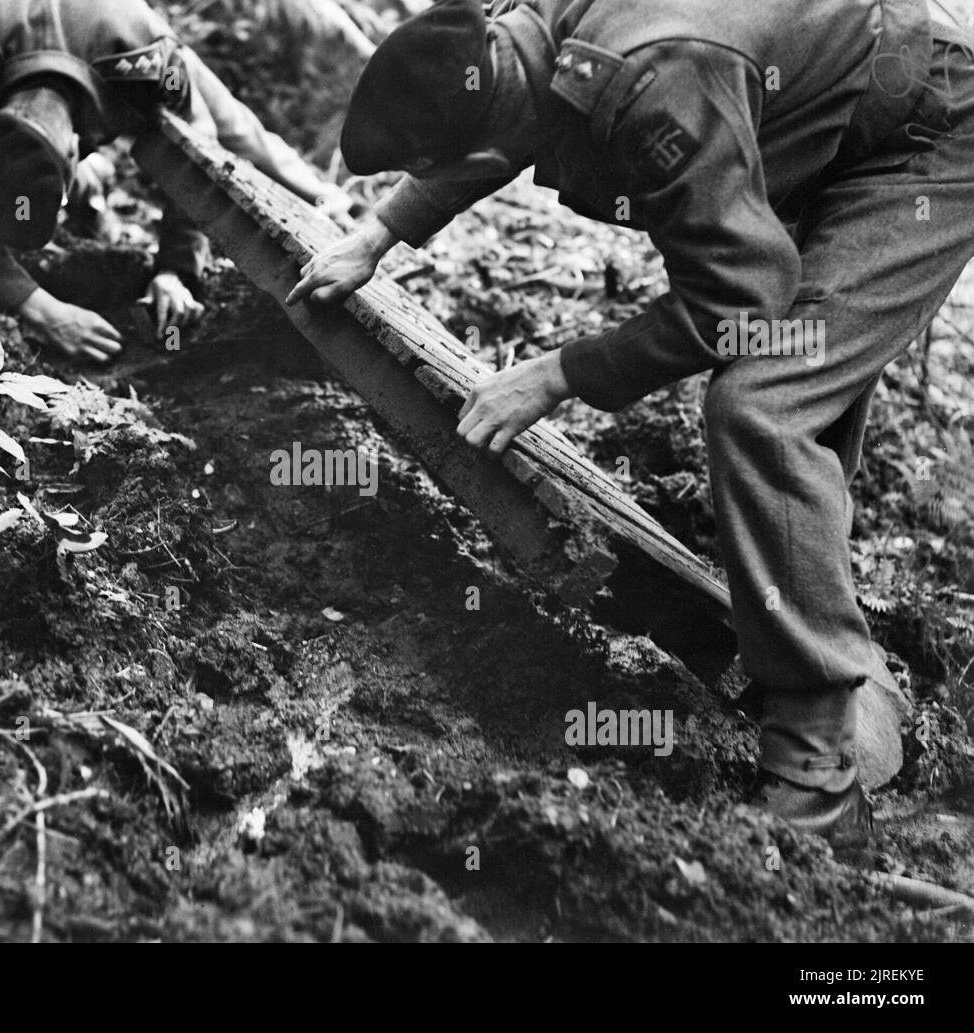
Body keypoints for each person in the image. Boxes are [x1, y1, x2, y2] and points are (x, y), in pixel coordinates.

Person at [289, 0, 974, 845]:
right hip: (842, 95)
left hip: (929, 128)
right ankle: (827, 655)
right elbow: (505, 111)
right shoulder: (523, 37)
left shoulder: (656, 79)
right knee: (794, 390)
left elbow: (740, 298)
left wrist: (557, 374)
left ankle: (818, 790)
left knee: (764, 401)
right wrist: (381, 233)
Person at [0, 0, 353, 361]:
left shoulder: (150, 59)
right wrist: (36, 307)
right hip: (3, 43)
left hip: (112, 36)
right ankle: (75, 188)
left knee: (234, 131)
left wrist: (177, 268)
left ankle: (327, 195)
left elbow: (199, 158)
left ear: (77, 147)